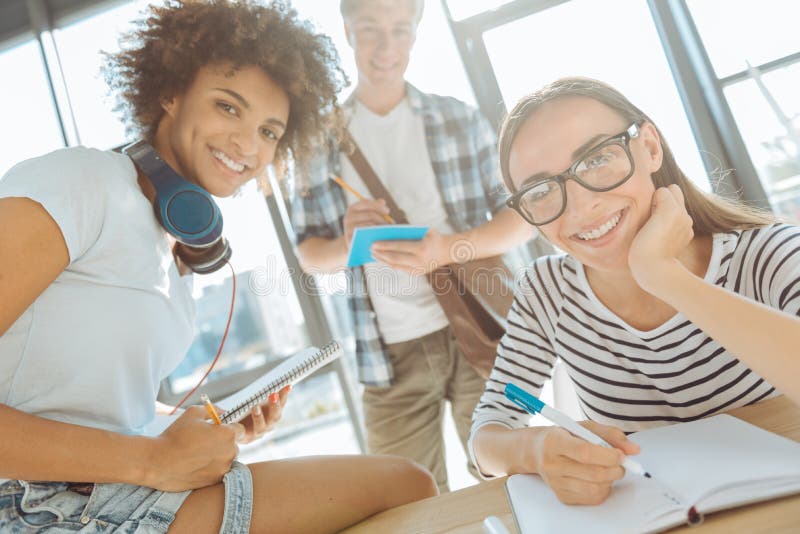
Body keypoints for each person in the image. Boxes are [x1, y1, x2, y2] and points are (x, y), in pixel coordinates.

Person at [0, 2, 438, 533]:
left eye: (270, 132)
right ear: (171, 92)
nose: (247, 145)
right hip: (31, 505)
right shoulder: (81, 181)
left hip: (102, 485)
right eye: (229, 107)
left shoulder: (170, 254)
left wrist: (203, 428)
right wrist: (152, 462)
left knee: (407, 486)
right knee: (402, 488)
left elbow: (91, 413)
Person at [469, 77, 800, 506]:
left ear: (649, 148)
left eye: (595, 159)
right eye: (541, 190)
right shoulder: (547, 290)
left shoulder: (768, 254)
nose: (580, 206)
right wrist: (533, 450)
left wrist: (663, 275)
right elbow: (488, 433)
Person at [290, 0, 532, 492]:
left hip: (482, 330)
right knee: (405, 506)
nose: (387, 46)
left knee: (513, 486)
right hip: (388, 356)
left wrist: (448, 250)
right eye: (371, 29)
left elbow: (523, 220)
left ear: (417, 33)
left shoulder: (457, 119)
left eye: (401, 30)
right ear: (347, 31)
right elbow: (308, 256)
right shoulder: (318, 141)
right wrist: (347, 242)